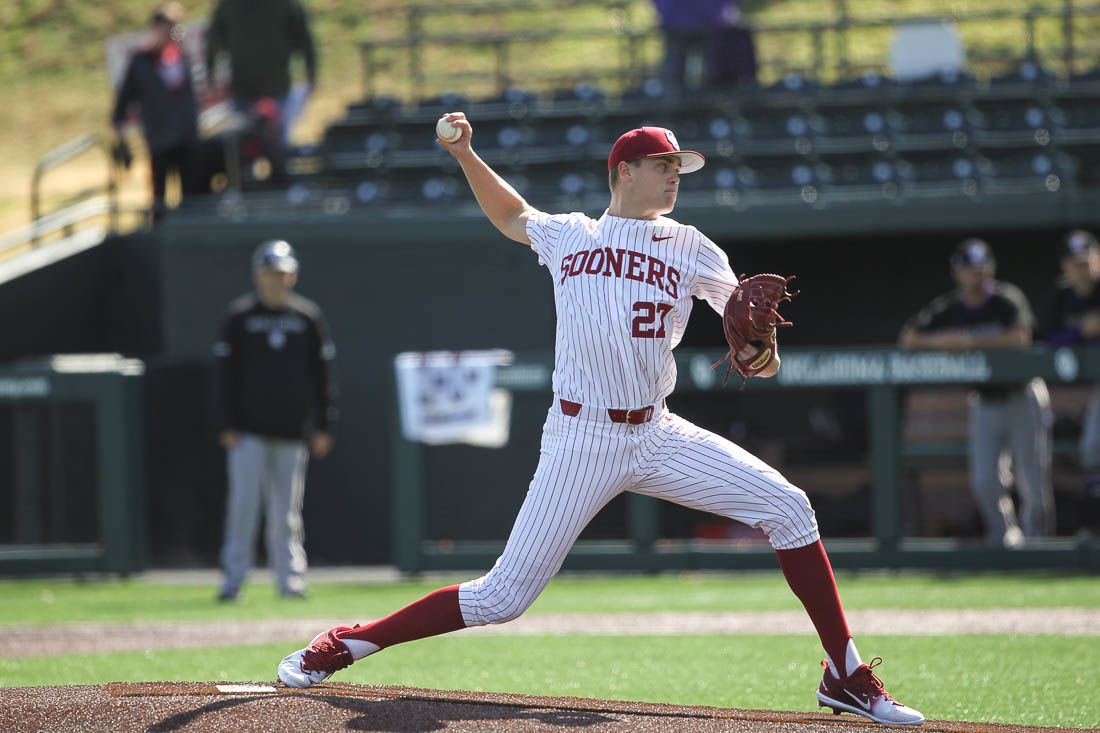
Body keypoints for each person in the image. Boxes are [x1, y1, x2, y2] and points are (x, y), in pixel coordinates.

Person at [275, 116, 924, 727]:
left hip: (656, 431)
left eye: (679, 167)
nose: (675, 176)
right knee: (503, 597)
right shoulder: (572, 234)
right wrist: (465, 154)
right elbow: (510, 213)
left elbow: (758, 351)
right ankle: (346, 642)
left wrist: (760, 349)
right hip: (581, 437)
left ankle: (844, 672)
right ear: (624, 171)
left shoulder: (692, 246)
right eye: (662, 164)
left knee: (790, 508)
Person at [899, 238, 1054, 547]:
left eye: (983, 268)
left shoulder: (1006, 299)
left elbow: (1020, 337)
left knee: (1032, 479)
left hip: (1022, 394)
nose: (978, 274)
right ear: (957, 272)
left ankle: (1040, 545)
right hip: (985, 401)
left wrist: (968, 341)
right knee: (985, 480)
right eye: (971, 269)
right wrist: (946, 341)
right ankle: (1006, 541)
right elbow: (910, 338)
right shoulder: (951, 307)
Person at [214, 240, 337, 601]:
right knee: (243, 509)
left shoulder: (307, 318)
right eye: (269, 273)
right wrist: (225, 424)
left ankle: (290, 581)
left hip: (292, 433)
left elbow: (323, 376)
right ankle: (232, 581)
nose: (275, 280)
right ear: (257, 275)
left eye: (282, 273)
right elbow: (223, 376)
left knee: (286, 515)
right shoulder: (239, 319)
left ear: (293, 275)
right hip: (247, 433)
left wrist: (324, 425)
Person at [203, 0, 317, 178]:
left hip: (276, 87)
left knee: (278, 147)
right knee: (243, 148)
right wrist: (211, 73)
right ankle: (248, 190)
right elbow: (214, 37)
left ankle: (281, 189)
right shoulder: (229, 5)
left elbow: (303, 36)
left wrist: (311, 72)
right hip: (242, 89)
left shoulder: (285, 5)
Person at [111, 2, 201, 221]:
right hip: (160, 139)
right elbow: (123, 104)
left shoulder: (182, 56)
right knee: (159, 198)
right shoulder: (141, 61)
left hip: (186, 138)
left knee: (191, 198)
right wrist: (121, 138)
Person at [1044, 229, 1100, 527]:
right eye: (1074, 262)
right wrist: (1082, 332)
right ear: (1064, 266)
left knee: (1093, 448)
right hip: (1077, 390)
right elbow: (1046, 342)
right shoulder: (1061, 297)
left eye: (1086, 260)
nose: (1082, 268)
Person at [652, 0, 756, 98]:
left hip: (690, 21)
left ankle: (676, 103)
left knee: (708, 70)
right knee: (710, 70)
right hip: (706, 20)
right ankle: (711, 104)